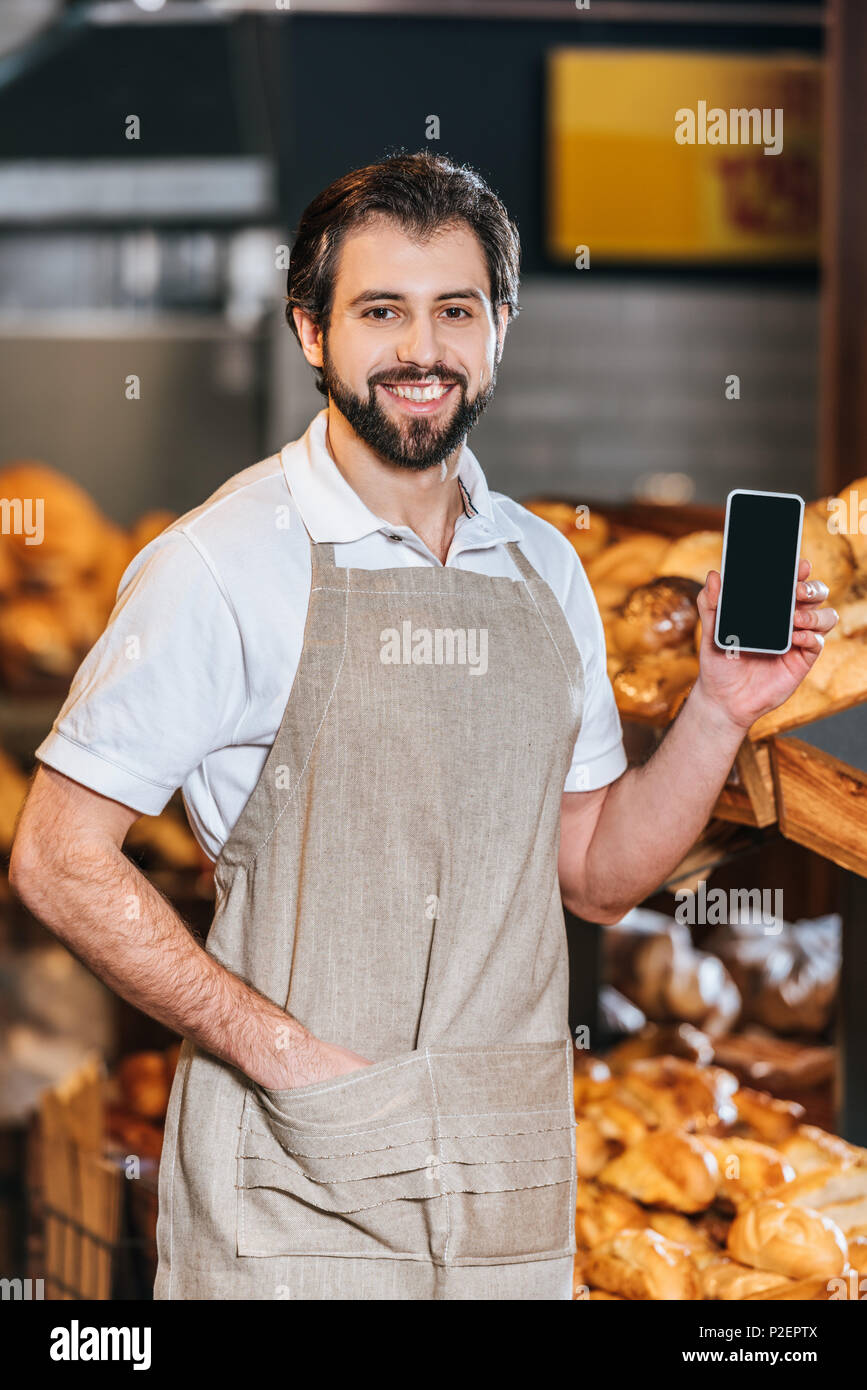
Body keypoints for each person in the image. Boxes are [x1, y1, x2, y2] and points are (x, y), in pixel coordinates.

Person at [10, 151, 837, 1301]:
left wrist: (716, 708)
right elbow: (55, 856)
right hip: (297, 1211)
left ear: (501, 326)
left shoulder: (544, 570)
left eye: (456, 310)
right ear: (311, 332)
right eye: (380, 310)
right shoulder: (221, 563)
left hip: (512, 1214)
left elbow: (597, 873)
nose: (422, 348)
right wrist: (282, 1055)